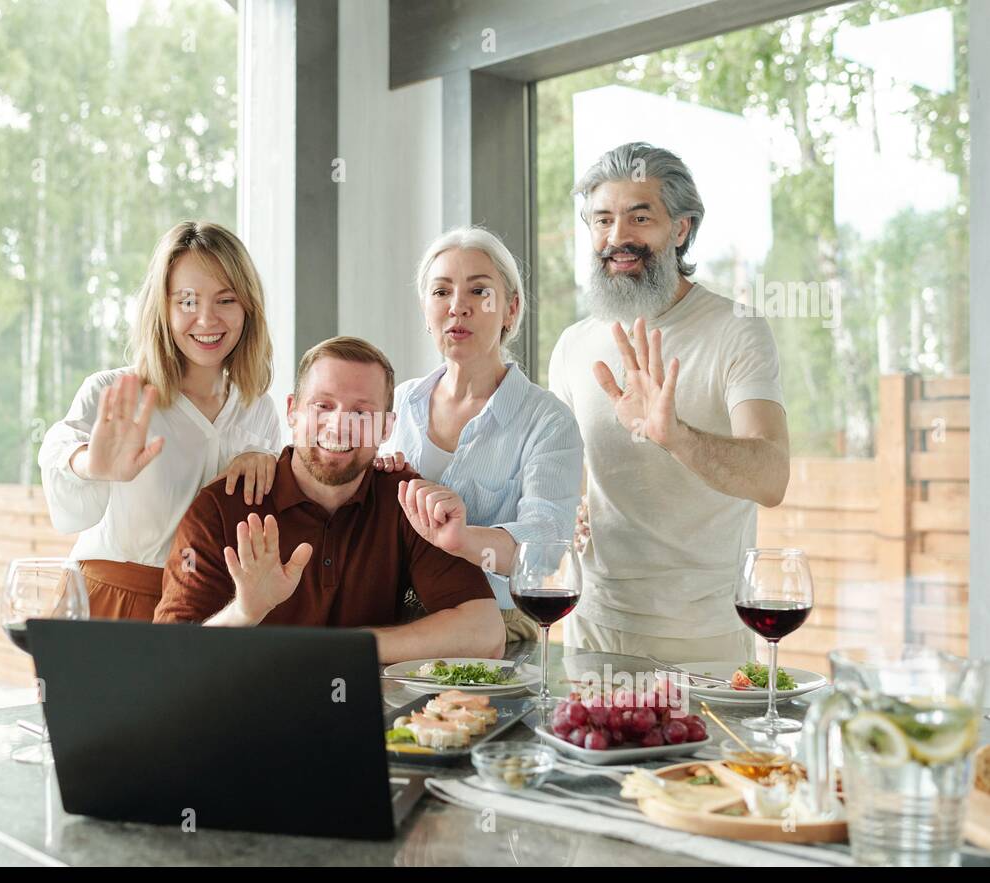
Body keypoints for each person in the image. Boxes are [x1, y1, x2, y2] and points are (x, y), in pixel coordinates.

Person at [548, 142, 790, 664]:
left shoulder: (737, 330)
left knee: (703, 752)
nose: (617, 238)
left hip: (705, 635)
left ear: (680, 229)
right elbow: (561, 483)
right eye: (602, 220)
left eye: (640, 217)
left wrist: (675, 436)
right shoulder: (573, 346)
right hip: (593, 626)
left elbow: (771, 477)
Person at [153, 336, 505, 664]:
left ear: (386, 428)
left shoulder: (405, 500)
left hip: (374, 718)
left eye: (362, 413)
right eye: (322, 406)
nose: (339, 426)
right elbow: (168, 658)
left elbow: (486, 633)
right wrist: (244, 612)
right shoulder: (220, 507)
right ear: (292, 412)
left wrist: (342, 648)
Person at [39, 221, 282, 620]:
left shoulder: (259, 409)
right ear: (163, 308)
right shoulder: (114, 392)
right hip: (111, 603)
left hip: (210, 609)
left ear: (247, 308)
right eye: (187, 301)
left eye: (225, 300)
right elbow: (60, 460)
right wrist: (91, 465)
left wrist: (266, 460)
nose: (206, 320)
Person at [372, 226, 582, 644]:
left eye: (478, 292)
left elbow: (543, 550)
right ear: (425, 309)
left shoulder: (548, 421)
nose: (457, 308)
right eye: (441, 292)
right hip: (395, 617)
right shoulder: (398, 401)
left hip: (497, 625)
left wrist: (463, 539)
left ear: (510, 309)